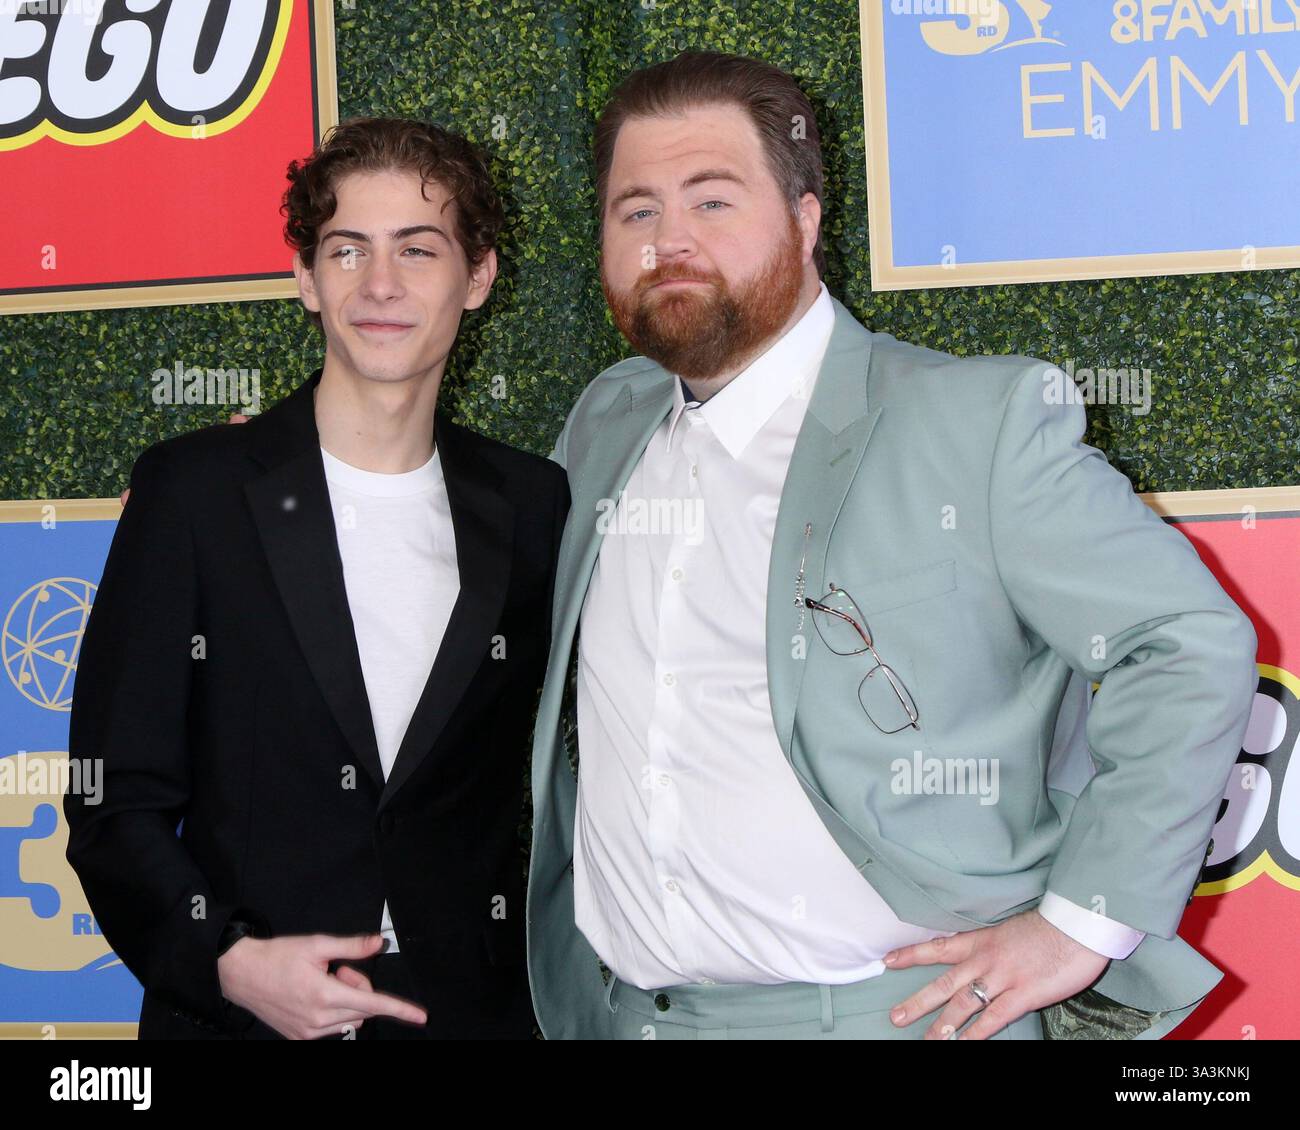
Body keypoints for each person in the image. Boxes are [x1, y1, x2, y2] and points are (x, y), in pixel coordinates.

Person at [524, 50, 1259, 1040]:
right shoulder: (604, 421)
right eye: (636, 210)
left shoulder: (971, 422)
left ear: (806, 217)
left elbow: (1181, 638)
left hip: (897, 1019)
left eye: (711, 200)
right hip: (625, 1019)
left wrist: (1080, 922)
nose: (669, 242)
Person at [66, 117, 567, 1040]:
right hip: (240, 1023)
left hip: (466, 1019)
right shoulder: (197, 494)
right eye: (348, 250)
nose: (381, 284)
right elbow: (113, 798)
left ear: (479, 277)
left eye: (419, 250)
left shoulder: (535, 505)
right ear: (306, 277)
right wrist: (227, 962)